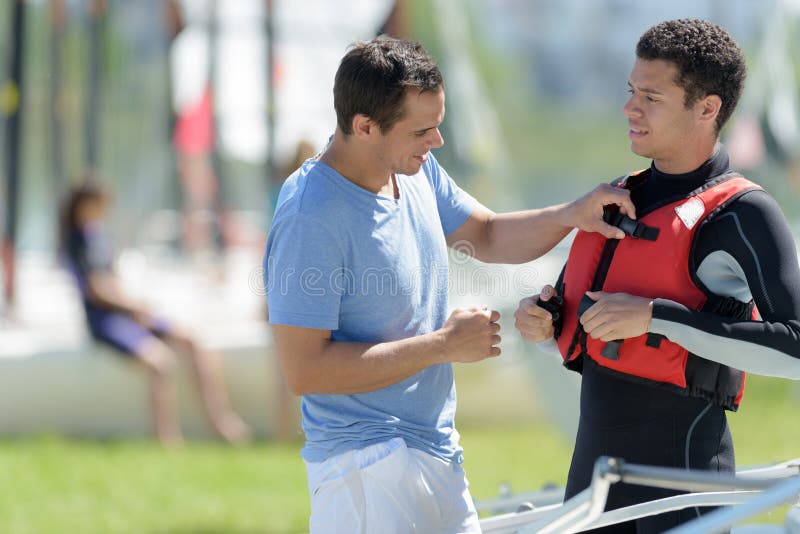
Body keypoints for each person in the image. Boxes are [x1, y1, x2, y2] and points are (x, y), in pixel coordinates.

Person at [263, 36, 637, 533]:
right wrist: (442, 346)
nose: (437, 141)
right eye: (422, 130)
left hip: (436, 450)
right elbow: (304, 371)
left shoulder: (413, 169)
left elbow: (486, 234)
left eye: (437, 124)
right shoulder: (310, 214)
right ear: (365, 126)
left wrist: (572, 214)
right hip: (363, 470)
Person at [514, 19, 800, 532]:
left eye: (651, 96)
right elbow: (583, 329)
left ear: (707, 108)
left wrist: (657, 318)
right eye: (631, 91)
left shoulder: (744, 214)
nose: (630, 108)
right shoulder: (615, 197)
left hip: (684, 494)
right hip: (592, 488)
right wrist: (543, 321)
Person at [60, 181, 251, 446]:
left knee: (192, 341)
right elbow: (96, 290)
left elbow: (112, 282)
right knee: (162, 363)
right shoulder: (76, 240)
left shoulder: (99, 235)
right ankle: (168, 441)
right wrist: (132, 307)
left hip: (126, 312)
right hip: (106, 319)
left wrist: (136, 307)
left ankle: (221, 421)